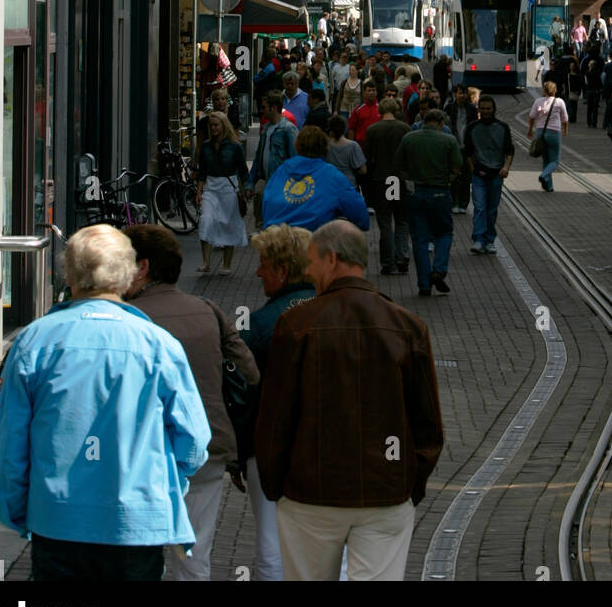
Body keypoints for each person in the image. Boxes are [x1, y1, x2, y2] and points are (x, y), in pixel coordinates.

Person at [0, 225, 211, 581]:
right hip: (138, 522)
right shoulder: (159, 344)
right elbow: (195, 444)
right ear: (129, 273)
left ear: (70, 274)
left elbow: (8, 447)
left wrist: (18, 510)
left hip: (58, 521)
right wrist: (163, 482)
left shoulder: (33, 342)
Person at [254, 221, 444, 581]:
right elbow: (428, 425)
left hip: (310, 493)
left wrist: (277, 485)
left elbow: (275, 419)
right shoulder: (408, 327)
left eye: (311, 261)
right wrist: (408, 483)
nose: (307, 271)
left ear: (332, 260)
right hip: (384, 493)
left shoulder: (295, 324)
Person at [123, 224, 259, 581]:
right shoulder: (209, 310)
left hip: (140, 457)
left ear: (143, 267)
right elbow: (250, 373)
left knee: (138, 556)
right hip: (206, 448)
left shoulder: (125, 320)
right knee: (194, 555)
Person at [238, 226, 315, 581]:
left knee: (272, 545)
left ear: (282, 271)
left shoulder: (258, 326)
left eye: (263, 264)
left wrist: (239, 454)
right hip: (328, 449)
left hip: (270, 451)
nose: (257, 272)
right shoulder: (337, 314)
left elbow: (244, 394)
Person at [395, 107, 462, 296]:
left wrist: (410, 179)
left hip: (416, 193)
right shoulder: (449, 140)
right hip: (440, 193)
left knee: (419, 239)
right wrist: (447, 180)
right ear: (441, 123)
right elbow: (457, 167)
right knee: (444, 233)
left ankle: (424, 284)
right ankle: (439, 270)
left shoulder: (409, 138)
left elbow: (399, 164)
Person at [261, 125, 371, 232]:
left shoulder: (282, 170)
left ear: (297, 147)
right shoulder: (331, 174)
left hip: (278, 239)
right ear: (324, 148)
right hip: (313, 241)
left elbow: (267, 200)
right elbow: (358, 211)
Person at [195, 111, 248, 275]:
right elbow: (202, 171)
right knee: (206, 219)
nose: (214, 128)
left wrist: (246, 188)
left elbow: (243, 170)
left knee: (228, 224)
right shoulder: (205, 146)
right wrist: (199, 190)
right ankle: (206, 262)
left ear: (224, 126)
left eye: (216, 125)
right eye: (211, 125)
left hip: (228, 188)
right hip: (210, 188)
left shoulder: (235, 146)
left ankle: (227, 264)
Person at [364, 98, 412, 274]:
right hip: (399, 179)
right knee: (401, 220)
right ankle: (402, 256)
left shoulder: (373, 130)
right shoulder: (404, 129)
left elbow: (367, 156)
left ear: (380, 111)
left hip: (381, 179)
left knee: (385, 222)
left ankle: (388, 262)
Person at [464, 95, 513, 255]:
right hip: (479, 173)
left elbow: (509, 150)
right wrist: (473, 170)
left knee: (491, 209)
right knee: (479, 207)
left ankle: (489, 239)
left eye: (488, 108)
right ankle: (479, 239)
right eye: (482, 108)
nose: (485, 111)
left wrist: (506, 167)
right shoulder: (472, 127)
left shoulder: (502, 127)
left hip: (496, 173)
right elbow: (467, 151)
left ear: (493, 110)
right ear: (478, 109)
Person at [245, 90, 297, 231]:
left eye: (264, 107)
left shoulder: (287, 129)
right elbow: (258, 158)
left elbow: (295, 159)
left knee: (279, 220)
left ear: (273, 108)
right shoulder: (266, 129)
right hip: (265, 178)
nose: (261, 111)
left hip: (281, 182)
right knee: (261, 211)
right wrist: (250, 183)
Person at [443, 82, 477, 214]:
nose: (461, 95)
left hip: (467, 147)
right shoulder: (449, 108)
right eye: (459, 92)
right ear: (455, 94)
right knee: (454, 176)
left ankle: (463, 203)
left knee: (466, 176)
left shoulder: (472, 109)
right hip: (453, 146)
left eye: (463, 93)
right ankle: (453, 202)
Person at [528, 80, 568, 193]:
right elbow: (565, 119)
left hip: (540, 131)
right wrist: (565, 130)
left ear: (544, 90)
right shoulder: (559, 102)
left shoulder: (538, 101)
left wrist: (530, 129)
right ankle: (544, 175)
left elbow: (531, 117)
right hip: (554, 132)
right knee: (555, 160)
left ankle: (548, 186)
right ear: (555, 90)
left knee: (546, 159)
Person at [327, 113, 368, 187]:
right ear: (344, 128)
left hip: (331, 183)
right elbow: (363, 170)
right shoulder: (353, 146)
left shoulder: (325, 145)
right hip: (349, 184)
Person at [349, 79, 381, 147]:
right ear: (364, 93)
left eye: (373, 90)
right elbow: (351, 129)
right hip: (361, 145)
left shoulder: (381, 108)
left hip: (377, 145)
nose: (371, 93)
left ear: (376, 92)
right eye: (369, 90)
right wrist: (351, 146)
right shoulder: (358, 109)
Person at [584, 57, 603, 129]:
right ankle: (594, 123)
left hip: (589, 90)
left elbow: (586, 83)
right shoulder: (598, 72)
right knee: (595, 108)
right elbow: (600, 82)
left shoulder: (587, 73)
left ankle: (589, 122)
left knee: (589, 107)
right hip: (596, 91)